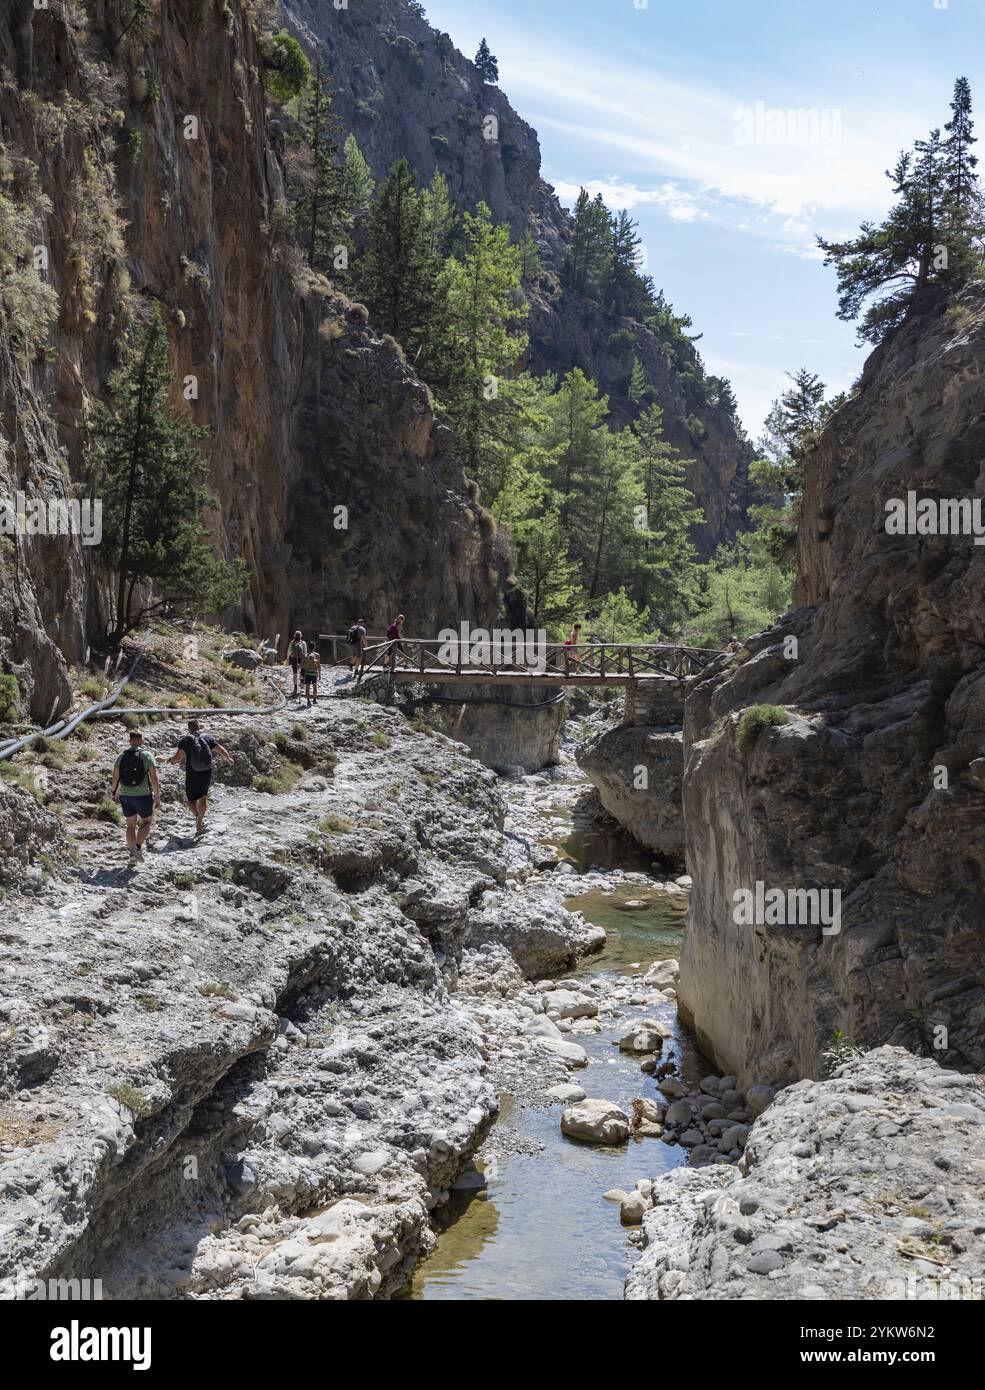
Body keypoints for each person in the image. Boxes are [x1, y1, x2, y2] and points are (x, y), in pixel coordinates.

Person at [168, 718, 234, 837]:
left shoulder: (186, 739)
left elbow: (178, 757)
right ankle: (201, 818)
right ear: (199, 726)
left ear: (189, 728)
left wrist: (170, 760)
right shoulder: (207, 738)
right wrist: (228, 759)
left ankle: (197, 816)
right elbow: (221, 750)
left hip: (192, 772)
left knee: (191, 799)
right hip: (206, 772)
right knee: (203, 797)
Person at [111, 728, 161, 862]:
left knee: (130, 825)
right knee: (147, 822)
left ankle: (132, 855)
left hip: (125, 795)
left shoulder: (121, 756)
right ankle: (137, 847)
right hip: (143, 795)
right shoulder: (147, 755)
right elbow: (154, 779)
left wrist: (115, 793)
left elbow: (115, 778)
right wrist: (157, 796)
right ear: (141, 740)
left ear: (129, 741)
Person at [286, 630, 308, 697]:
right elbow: (305, 652)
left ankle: (295, 688)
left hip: (294, 659)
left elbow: (289, 651)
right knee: (302, 673)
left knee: (295, 674)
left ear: (294, 635)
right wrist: (305, 659)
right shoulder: (303, 643)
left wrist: (287, 658)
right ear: (301, 636)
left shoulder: (292, 642)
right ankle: (301, 686)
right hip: (301, 659)